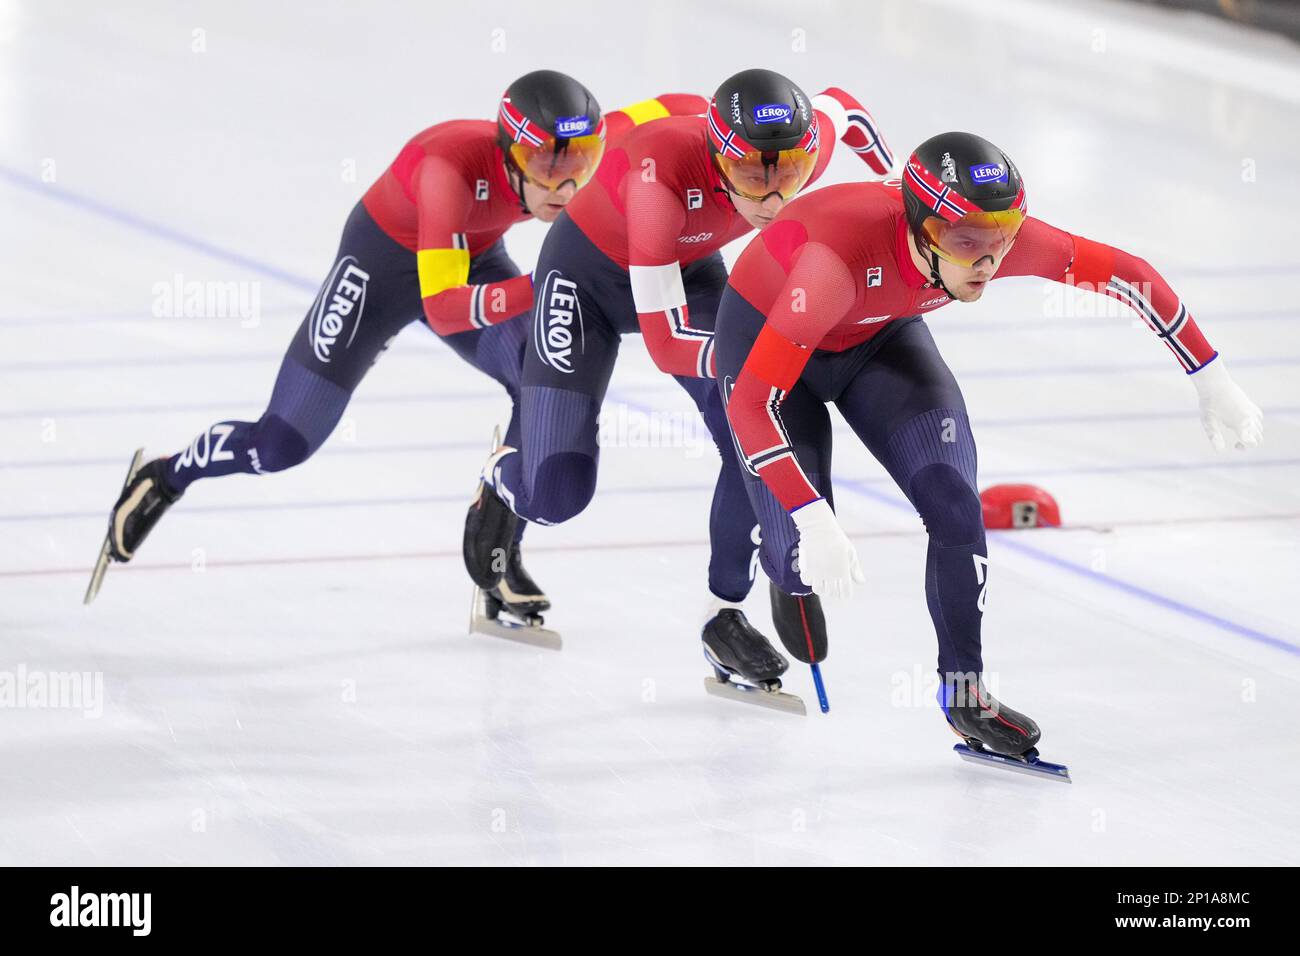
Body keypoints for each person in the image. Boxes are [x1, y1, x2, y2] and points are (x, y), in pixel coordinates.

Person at [713, 131, 1263, 756]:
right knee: (797, 555)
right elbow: (752, 407)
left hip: (875, 336)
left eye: (1001, 237)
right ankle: (777, 574)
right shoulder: (832, 266)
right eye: (965, 241)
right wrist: (812, 519)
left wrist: (1211, 376)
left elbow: (1129, 274)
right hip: (772, 341)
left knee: (955, 504)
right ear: (921, 230)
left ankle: (964, 695)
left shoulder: (989, 239)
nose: (987, 260)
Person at [90, 72, 704, 614]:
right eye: (548, 168)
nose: (567, 187)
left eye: (583, 164)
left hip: (472, 260)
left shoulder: (572, 148)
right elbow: (442, 306)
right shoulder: (448, 167)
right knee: (281, 443)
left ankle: (499, 540)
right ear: (509, 155)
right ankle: (167, 475)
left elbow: (680, 104)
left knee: (534, 374)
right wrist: (542, 285)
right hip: (382, 273)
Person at [462, 69, 892, 703]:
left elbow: (847, 107)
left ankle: (724, 614)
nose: (772, 199)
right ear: (717, 160)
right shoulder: (658, 182)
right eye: (751, 177)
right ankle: (506, 477)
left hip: (686, 271)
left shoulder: (799, 142)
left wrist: (894, 187)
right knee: (555, 495)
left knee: (749, 430)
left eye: (791, 175)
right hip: (585, 285)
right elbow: (667, 344)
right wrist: (759, 359)